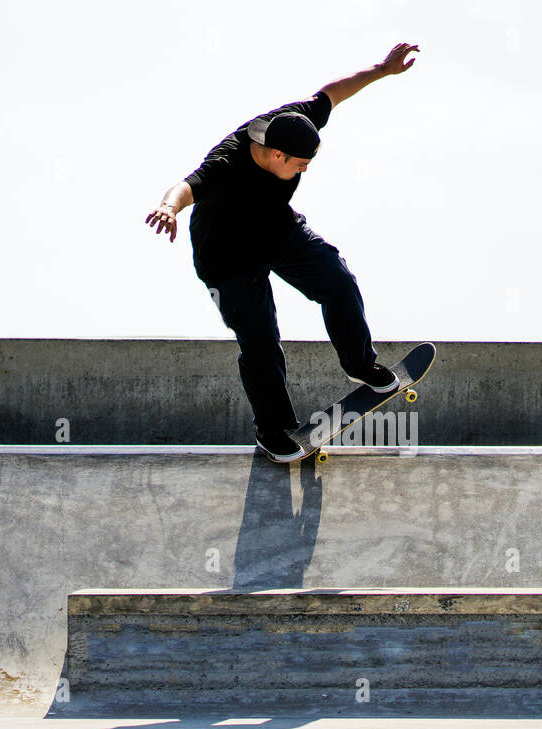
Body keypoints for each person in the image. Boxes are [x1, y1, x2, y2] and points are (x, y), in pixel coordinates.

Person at [147, 42, 421, 462]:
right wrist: (168, 207)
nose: (305, 170)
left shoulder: (289, 123)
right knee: (261, 344)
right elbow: (188, 185)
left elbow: (331, 94)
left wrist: (382, 69)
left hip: (279, 232)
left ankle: (360, 364)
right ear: (275, 154)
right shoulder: (227, 162)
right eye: (299, 164)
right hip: (228, 261)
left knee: (338, 282)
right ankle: (272, 430)